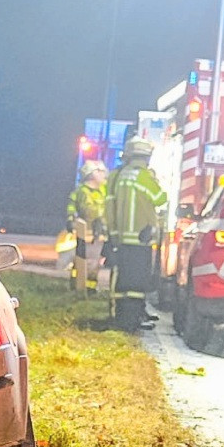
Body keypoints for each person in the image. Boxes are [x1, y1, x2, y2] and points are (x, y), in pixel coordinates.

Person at [104, 136, 167, 328]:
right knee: (137, 283)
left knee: (123, 280)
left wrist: (113, 233)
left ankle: (123, 316)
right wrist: (155, 179)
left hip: (123, 237)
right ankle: (133, 319)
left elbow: (110, 206)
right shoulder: (143, 176)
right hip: (141, 237)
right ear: (146, 157)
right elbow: (160, 198)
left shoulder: (121, 175)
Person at [67, 160, 108, 288]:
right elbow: (72, 207)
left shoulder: (104, 189)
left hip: (99, 234)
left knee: (94, 263)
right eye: (99, 172)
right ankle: (76, 285)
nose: (103, 175)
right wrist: (70, 220)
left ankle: (90, 287)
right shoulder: (81, 191)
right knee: (80, 260)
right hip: (84, 232)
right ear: (91, 175)